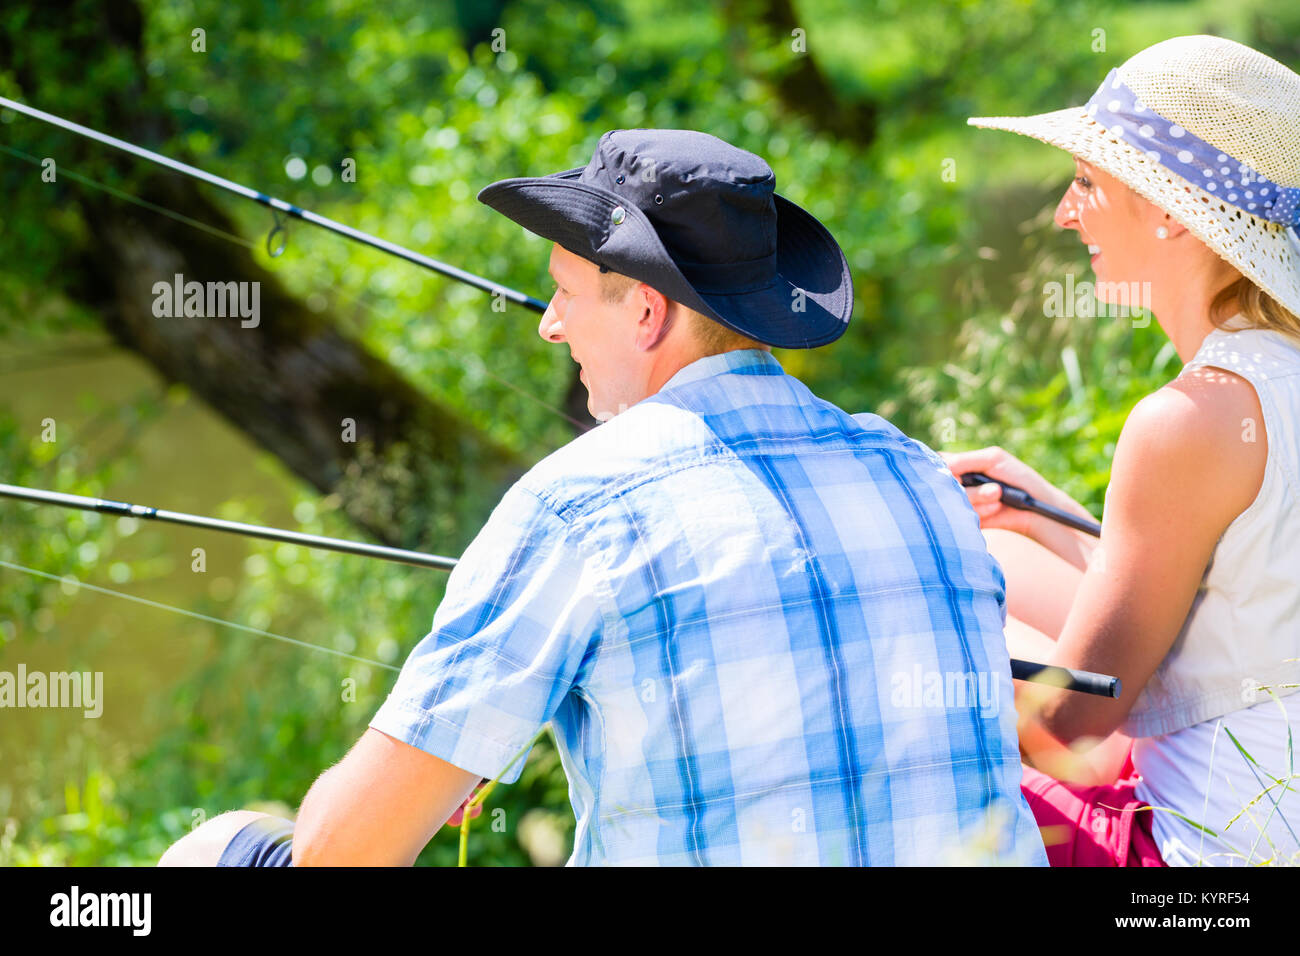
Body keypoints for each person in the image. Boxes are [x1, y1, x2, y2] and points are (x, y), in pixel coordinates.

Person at [160, 128, 1046, 866]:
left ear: (649, 314)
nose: (549, 322)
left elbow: (338, 855)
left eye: (565, 291)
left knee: (226, 853)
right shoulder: (918, 477)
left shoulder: (580, 506)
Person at [947, 35, 1300, 866]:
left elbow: (1072, 722)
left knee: (919, 776)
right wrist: (1042, 508)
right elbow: (1218, 602)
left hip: (1210, 861)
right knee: (999, 539)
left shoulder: (1190, 417)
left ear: (1171, 207)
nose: (1067, 214)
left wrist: (917, 648)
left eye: (1086, 182)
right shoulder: (1267, 381)